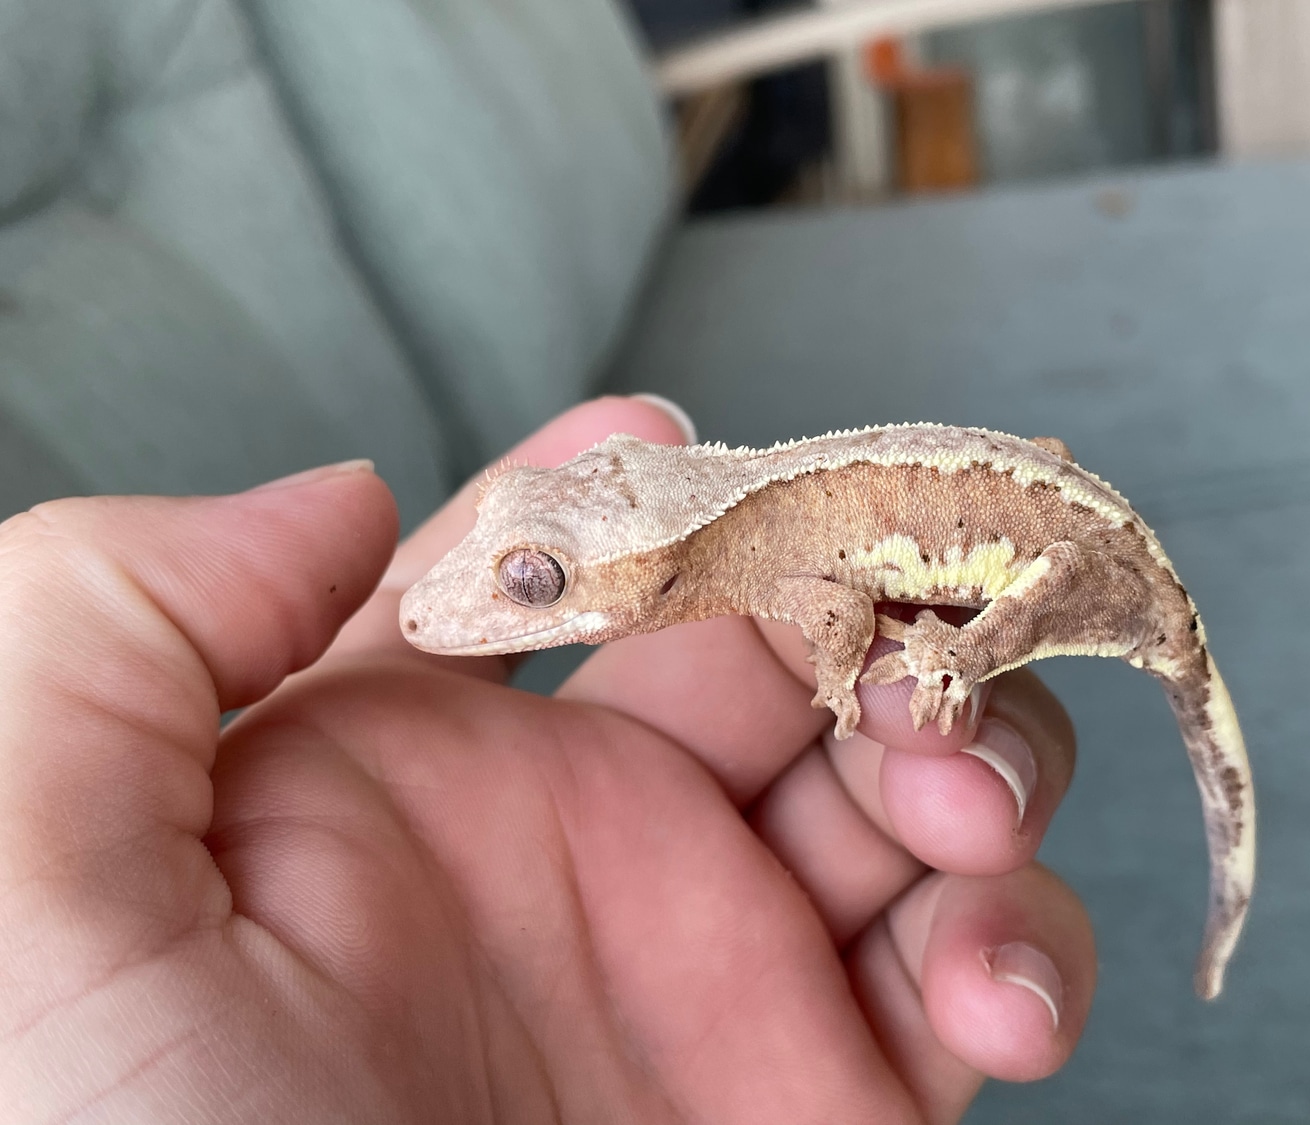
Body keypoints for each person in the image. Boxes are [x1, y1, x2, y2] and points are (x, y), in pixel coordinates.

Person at [0, 395, 1096, 1123]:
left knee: (961, 781)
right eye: (519, 560)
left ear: (648, 571)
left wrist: (841, 676)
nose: (453, 603)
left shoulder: (769, 575)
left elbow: (838, 621)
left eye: (532, 583)